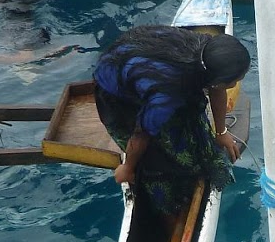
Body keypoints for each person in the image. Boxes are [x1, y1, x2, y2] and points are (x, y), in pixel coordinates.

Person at [93, 25, 250, 224]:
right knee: (155, 162)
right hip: (117, 93)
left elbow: (216, 89)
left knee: (193, 136)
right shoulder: (167, 93)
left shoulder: (206, 54)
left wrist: (221, 132)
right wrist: (128, 167)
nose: (236, 84)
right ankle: (169, 217)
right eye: (234, 81)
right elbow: (142, 134)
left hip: (149, 69)